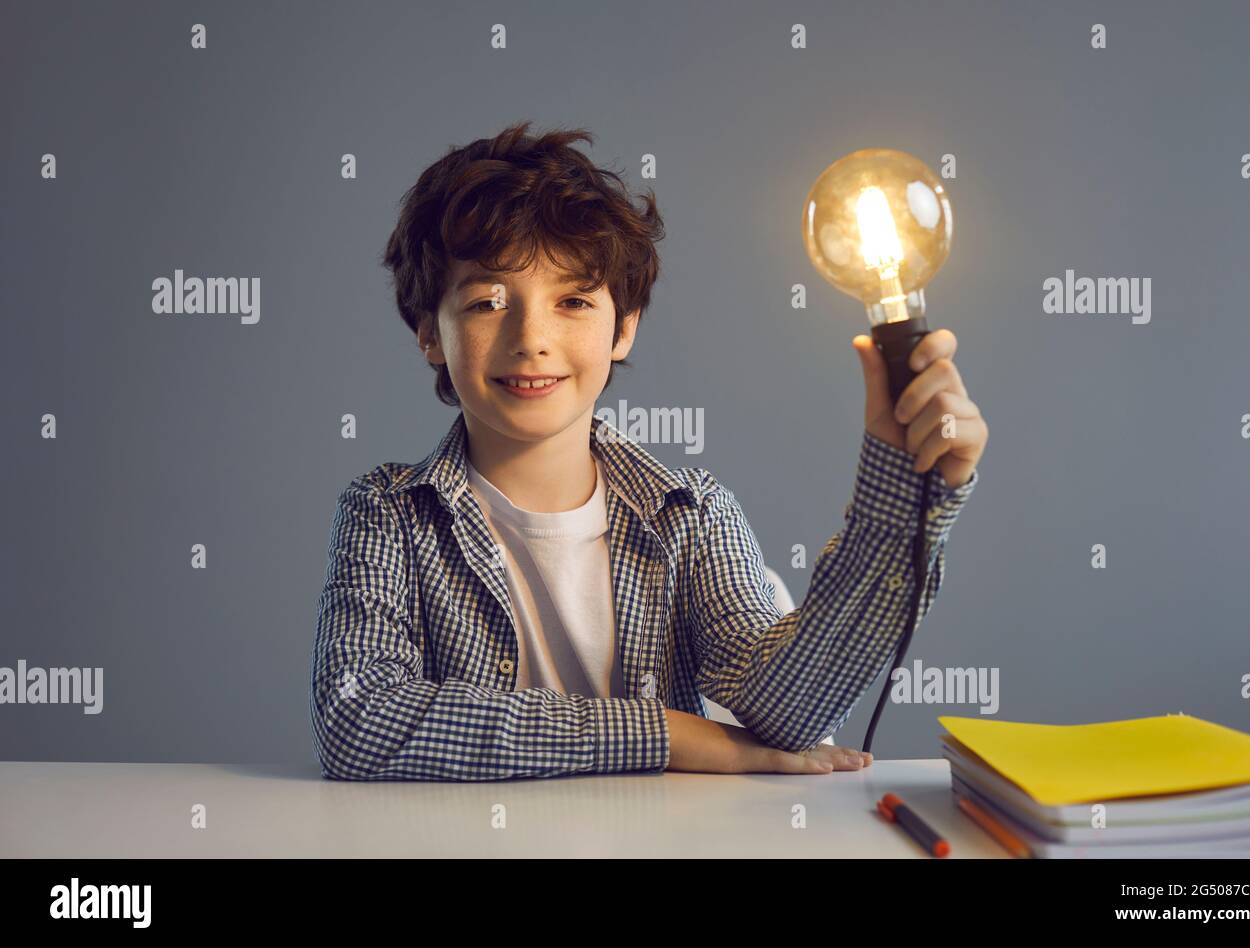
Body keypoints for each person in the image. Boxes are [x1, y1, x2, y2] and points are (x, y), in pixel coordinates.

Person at [309, 122, 987, 781]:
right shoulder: (388, 513)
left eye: (573, 300)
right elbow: (358, 719)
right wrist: (664, 733)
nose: (531, 337)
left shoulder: (690, 516)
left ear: (623, 329)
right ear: (430, 332)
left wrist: (900, 502)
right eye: (488, 302)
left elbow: (787, 710)